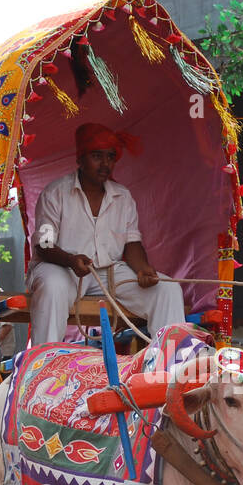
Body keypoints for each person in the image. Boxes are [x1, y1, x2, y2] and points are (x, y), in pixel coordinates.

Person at [26, 123, 183, 345]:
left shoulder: (123, 196)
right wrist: (70, 260)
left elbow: (132, 243)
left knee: (168, 290)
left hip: (110, 273)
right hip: (62, 269)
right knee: (53, 286)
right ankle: (43, 366)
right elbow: (44, 244)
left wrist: (142, 269)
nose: (105, 164)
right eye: (97, 156)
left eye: (110, 157)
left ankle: (169, 367)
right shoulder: (55, 193)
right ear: (80, 158)